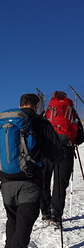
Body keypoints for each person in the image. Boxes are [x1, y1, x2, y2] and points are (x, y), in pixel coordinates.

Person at [0, 94, 64, 248]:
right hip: (30, 180)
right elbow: (55, 153)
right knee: (25, 220)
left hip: (7, 181)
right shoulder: (40, 123)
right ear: (37, 104)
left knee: (13, 219)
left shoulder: (6, 125)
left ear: (20, 104)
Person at [40, 91, 84, 228]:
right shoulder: (71, 111)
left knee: (44, 180)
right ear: (65, 97)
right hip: (66, 149)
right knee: (60, 184)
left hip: (47, 150)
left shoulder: (47, 111)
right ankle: (55, 216)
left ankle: (45, 212)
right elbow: (81, 136)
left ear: (52, 98)